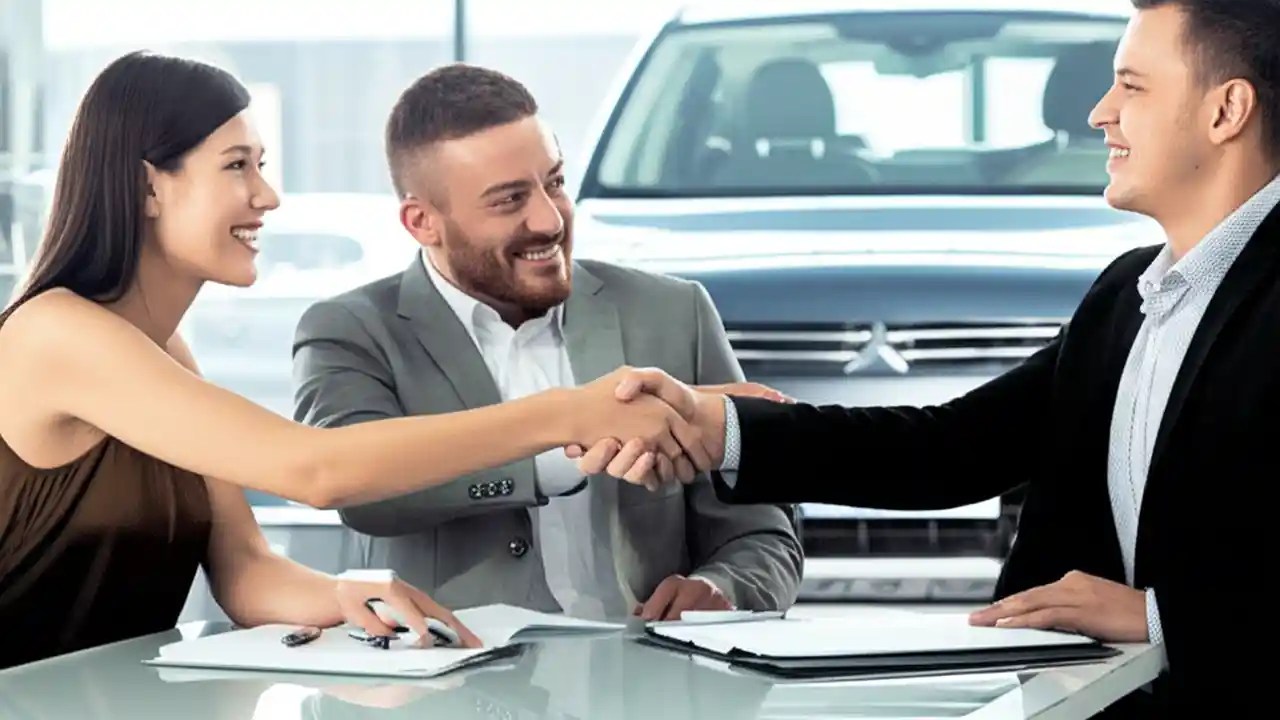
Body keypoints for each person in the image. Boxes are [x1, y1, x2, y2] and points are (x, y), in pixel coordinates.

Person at [577, 0, 1280, 711]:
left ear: (1227, 111)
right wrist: (715, 426)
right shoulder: (1128, 295)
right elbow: (950, 446)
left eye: (1132, 87)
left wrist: (1159, 618)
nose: (1100, 113)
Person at [0, 51, 714, 669]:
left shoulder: (164, 352)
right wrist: (566, 414)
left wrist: (344, 595)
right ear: (150, 185)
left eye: (264, 165)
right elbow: (315, 468)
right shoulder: (57, 335)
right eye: (237, 166)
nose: (267, 196)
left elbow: (245, 570)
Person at [291, 64, 802, 622]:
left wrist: (724, 587)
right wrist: (570, 447)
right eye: (509, 200)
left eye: (554, 182)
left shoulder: (674, 312)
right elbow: (363, 492)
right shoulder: (350, 330)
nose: (548, 219)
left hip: (649, 687)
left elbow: (763, 532)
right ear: (422, 223)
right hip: (445, 697)